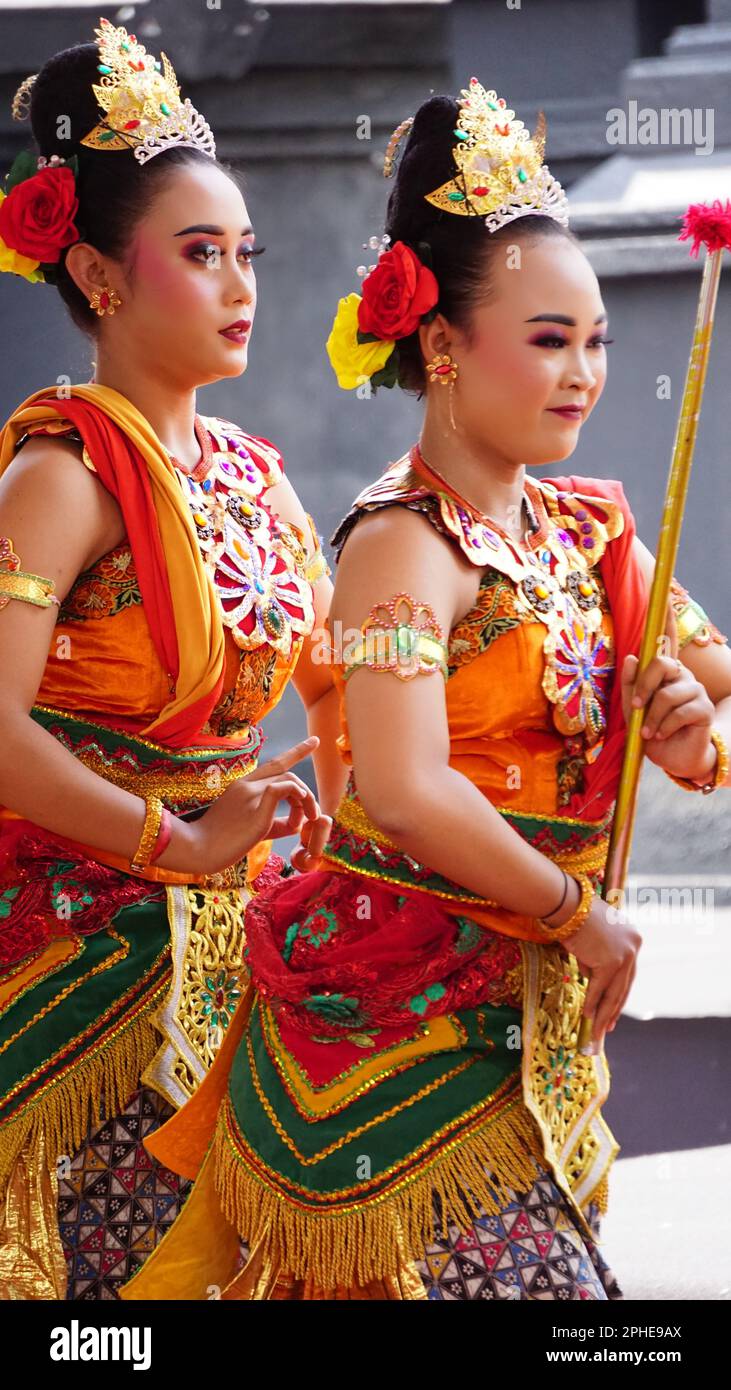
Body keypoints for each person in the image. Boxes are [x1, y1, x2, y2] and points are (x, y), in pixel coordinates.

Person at [120, 78, 731, 1302]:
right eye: (548, 339)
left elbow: (715, 681)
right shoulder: (400, 545)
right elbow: (400, 788)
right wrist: (572, 909)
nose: (583, 373)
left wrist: (694, 731)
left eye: (595, 340)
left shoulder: (589, 529)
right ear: (442, 345)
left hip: (541, 1027)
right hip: (398, 1016)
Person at [0, 17, 343, 1300]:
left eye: (244, 252)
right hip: (78, 957)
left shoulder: (253, 475)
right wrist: (178, 843)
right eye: (200, 255)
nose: (242, 284)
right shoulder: (60, 475)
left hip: (243, 949)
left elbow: (342, 686)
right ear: (98, 275)